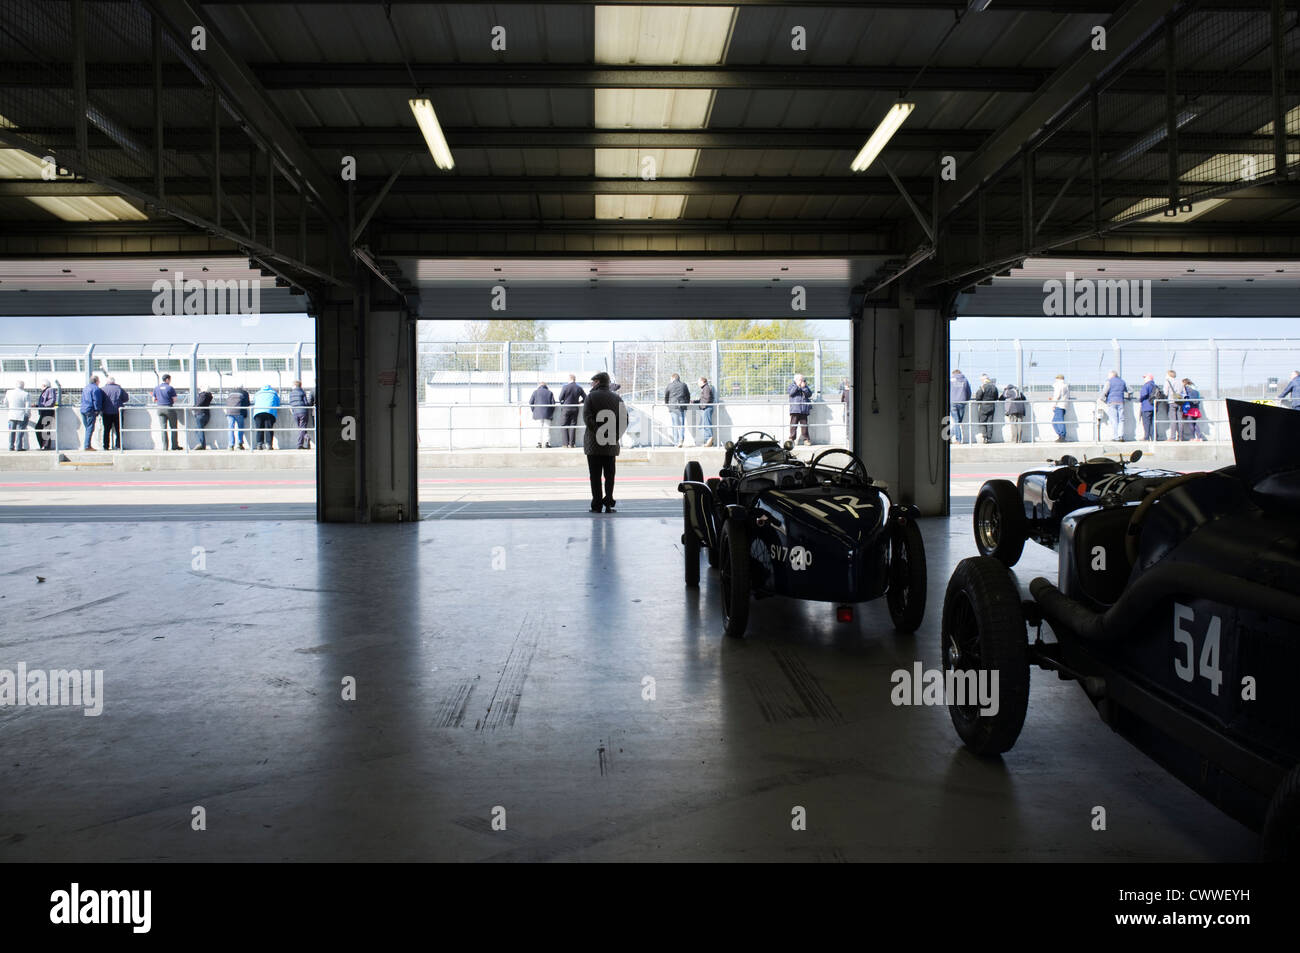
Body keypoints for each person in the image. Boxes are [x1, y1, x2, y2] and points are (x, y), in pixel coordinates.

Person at [583, 371, 627, 513]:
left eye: (592, 381)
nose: (591, 384)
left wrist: (599, 433)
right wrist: (615, 436)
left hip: (594, 444)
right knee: (609, 475)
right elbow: (625, 420)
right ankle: (608, 503)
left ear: (597, 382)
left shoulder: (590, 397)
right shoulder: (617, 398)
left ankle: (596, 504)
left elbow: (587, 418)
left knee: (595, 476)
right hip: (610, 443)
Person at [101, 376, 130, 450]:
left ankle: (106, 446)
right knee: (119, 429)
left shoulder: (103, 389)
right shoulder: (119, 389)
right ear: (114, 382)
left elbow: (100, 400)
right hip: (118, 412)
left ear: (107, 382)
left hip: (106, 412)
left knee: (106, 430)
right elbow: (126, 398)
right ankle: (118, 446)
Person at [152, 373, 180, 450]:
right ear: (167, 379)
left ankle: (165, 447)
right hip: (168, 408)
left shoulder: (156, 388)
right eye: (170, 379)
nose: (170, 381)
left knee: (163, 428)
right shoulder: (170, 388)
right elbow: (175, 399)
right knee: (173, 427)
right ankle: (174, 446)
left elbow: (153, 399)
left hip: (160, 408)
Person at [558, 373, 585, 449]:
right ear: (574, 379)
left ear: (569, 379)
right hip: (575, 408)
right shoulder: (579, 388)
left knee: (564, 425)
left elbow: (560, 398)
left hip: (566, 408)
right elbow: (585, 397)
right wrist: (580, 402)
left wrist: (563, 402)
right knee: (573, 425)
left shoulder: (565, 387)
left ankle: (565, 444)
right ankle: (572, 444)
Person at [1100, 370, 1128, 442]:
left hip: (1112, 402)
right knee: (1121, 419)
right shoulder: (1122, 381)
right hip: (1121, 402)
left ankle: (1116, 437)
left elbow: (1103, 393)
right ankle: (1121, 436)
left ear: (1111, 375)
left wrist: (1104, 400)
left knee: (1114, 420)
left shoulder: (1109, 381)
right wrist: (1129, 397)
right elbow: (1130, 390)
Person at [664, 373, 691, 447]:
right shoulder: (683, 385)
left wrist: (667, 404)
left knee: (675, 425)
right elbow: (688, 395)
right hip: (681, 407)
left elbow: (666, 396)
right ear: (678, 378)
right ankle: (681, 440)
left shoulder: (670, 385)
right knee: (681, 424)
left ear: (673, 378)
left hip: (673, 407)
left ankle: (676, 442)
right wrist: (686, 404)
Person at [79, 375, 105, 450]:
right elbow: (96, 400)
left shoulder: (86, 388)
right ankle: (87, 446)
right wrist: (97, 410)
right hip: (90, 410)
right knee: (90, 428)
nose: (99, 382)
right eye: (99, 380)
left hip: (83, 409)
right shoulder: (96, 389)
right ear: (96, 381)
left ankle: (87, 445)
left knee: (87, 428)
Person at [252, 384, 281, 450]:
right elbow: (278, 404)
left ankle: (259, 444)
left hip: (258, 412)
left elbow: (254, 402)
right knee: (269, 428)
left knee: (259, 429)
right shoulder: (273, 393)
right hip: (269, 411)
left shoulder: (258, 393)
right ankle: (269, 445)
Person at [528, 380, 556, 447]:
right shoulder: (550, 393)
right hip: (547, 414)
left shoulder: (535, 392)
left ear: (539, 386)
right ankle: (547, 443)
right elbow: (553, 404)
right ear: (546, 386)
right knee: (547, 429)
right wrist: (550, 411)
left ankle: (539, 443)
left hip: (537, 414)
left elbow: (530, 402)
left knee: (539, 429)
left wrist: (534, 410)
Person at [972, 373, 999, 443]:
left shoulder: (983, 387)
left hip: (983, 407)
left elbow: (978, 397)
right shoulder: (994, 387)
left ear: (983, 380)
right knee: (990, 422)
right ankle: (989, 438)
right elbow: (996, 397)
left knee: (982, 422)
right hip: (992, 406)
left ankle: (985, 437)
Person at [288, 380, 315, 450]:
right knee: (302, 428)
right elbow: (306, 403)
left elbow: (290, 403)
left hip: (295, 412)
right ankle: (301, 443)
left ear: (294, 385)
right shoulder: (302, 392)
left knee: (301, 428)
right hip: (303, 411)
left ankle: (304, 440)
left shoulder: (291, 393)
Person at [788, 373, 813, 446]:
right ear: (796, 380)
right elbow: (791, 393)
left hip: (803, 409)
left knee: (804, 425)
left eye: (803, 379)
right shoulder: (791, 386)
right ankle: (791, 439)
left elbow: (809, 394)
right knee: (793, 425)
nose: (802, 381)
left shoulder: (805, 386)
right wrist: (797, 386)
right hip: (795, 409)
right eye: (800, 379)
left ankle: (806, 439)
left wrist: (803, 388)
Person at [6, 380, 31, 451]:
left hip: (11, 414)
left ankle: (11, 446)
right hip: (21, 415)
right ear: (23, 386)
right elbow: (27, 406)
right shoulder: (26, 394)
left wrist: (9, 409)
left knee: (11, 431)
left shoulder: (9, 392)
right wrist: (28, 414)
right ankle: (18, 447)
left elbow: (5, 403)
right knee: (20, 431)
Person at [226, 384, 250, 450]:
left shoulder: (230, 392)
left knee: (231, 428)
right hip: (239, 412)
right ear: (242, 387)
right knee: (240, 428)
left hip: (229, 412)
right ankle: (239, 444)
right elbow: (247, 404)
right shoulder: (244, 393)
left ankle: (231, 445)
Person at [950, 369, 971, 444]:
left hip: (952, 402)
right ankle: (958, 439)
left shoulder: (951, 380)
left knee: (957, 421)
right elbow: (968, 391)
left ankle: (954, 437)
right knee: (958, 421)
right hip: (962, 402)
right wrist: (967, 400)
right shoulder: (965, 380)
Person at [35, 380, 58, 451]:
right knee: (44, 428)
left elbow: (52, 400)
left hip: (47, 412)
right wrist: (37, 405)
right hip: (45, 412)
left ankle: (45, 446)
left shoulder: (50, 390)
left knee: (43, 428)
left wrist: (43, 406)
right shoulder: (46, 391)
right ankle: (44, 445)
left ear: (44, 385)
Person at [694, 376, 716, 447]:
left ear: (703, 381)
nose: (698, 383)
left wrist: (703, 407)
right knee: (705, 424)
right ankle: (709, 441)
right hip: (706, 408)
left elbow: (707, 398)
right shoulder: (705, 388)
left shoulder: (706, 388)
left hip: (706, 408)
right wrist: (694, 402)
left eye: (698, 382)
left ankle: (709, 440)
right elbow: (702, 400)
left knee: (707, 424)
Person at [1162, 370, 1184, 441]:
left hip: (1171, 402)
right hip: (1180, 402)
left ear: (1168, 375)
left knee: (1173, 420)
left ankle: (1173, 437)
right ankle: (1180, 437)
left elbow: (1165, 393)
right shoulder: (1180, 382)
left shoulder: (1167, 381)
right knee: (1180, 420)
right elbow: (1184, 392)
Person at [1137, 373, 1158, 441]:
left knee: (1146, 423)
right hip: (1154, 406)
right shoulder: (1155, 385)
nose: (1144, 379)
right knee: (1153, 423)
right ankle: (1153, 437)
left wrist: (1140, 399)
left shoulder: (1146, 385)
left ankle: (1146, 437)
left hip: (1146, 406)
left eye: (1145, 378)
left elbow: (1144, 394)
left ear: (1149, 378)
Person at [192, 384, 213, 450]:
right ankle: (202, 444)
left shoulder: (203, 395)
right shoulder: (209, 396)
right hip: (206, 414)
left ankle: (202, 444)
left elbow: (199, 404)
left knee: (199, 429)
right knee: (198, 429)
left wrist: (193, 407)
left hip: (200, 414)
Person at [1050, 374, 1070, 442]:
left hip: (1059, 405)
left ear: (1057, 379)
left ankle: (1062, 436)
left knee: (1058, 421)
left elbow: (1057, 396)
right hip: (1063, 405)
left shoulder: (1058, 385)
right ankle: (1061, 435)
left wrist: (1053, 405)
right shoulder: (1065, 385)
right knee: (1057, 421)